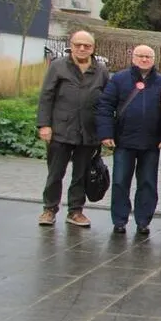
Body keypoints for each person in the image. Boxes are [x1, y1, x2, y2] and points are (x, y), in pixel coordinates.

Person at [37, 30, 109, 227]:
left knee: (81, 174)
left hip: (88, 132)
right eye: (78, 45)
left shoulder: (101, 70)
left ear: (93, 49)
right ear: (72, 45)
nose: (82, 48)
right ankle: (49, 209)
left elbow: (106, 102)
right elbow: (46, 96)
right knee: (55, 173)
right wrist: (44, 125)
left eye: (87, 46)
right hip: (61, 129)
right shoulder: (59, 66)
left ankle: (76, 211)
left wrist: (105, 130)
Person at [95, 44, 161, 235]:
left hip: (151, 143)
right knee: (120, 181)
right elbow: (105, 106)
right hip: (124, 140)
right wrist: (106, 133)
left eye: (148, 57)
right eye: (141, 56)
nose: (144, 60)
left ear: (154, 60)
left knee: (147, 183)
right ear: (133, 57)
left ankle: (143, 220)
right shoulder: (119, 79)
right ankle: (119, 220)